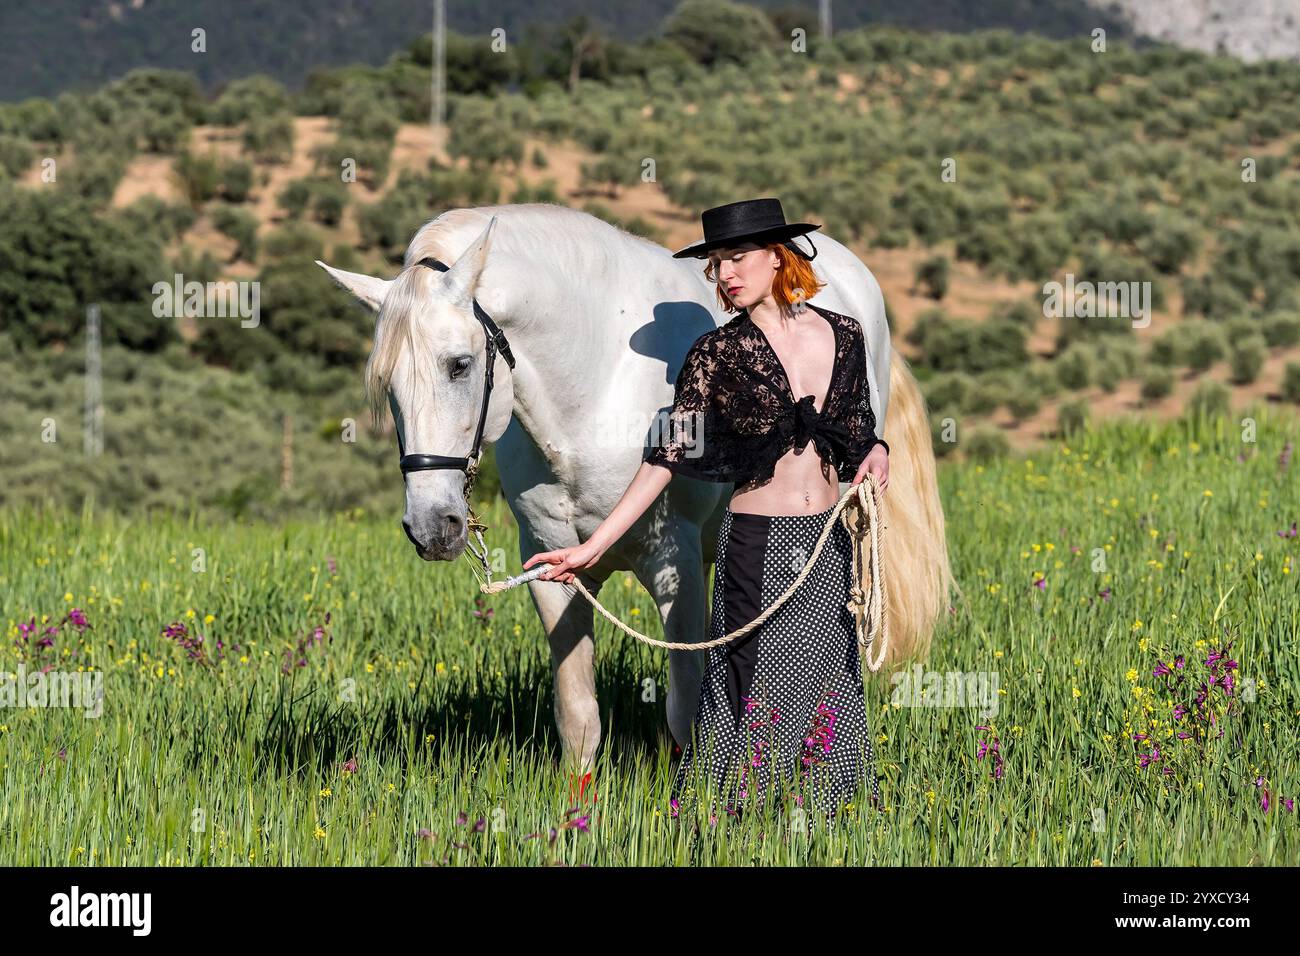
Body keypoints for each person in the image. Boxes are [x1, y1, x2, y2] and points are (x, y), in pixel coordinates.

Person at [524, 197, 889, 825]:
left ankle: (826, 827)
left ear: (779, 258)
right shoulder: (714, 356)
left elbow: (860, 434)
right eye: (716, 264)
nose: (725, 275)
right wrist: (589, 550)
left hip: (826, 550)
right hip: (755, 547)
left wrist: (877, 453)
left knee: (831, 692)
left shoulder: (845, 335)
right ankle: (736, 831)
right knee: (750, 693)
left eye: (736, 259)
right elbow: (664, 460)